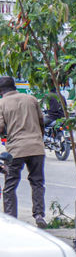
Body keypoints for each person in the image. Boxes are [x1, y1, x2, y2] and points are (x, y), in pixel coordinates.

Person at [0, 76, 47, 227]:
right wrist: (38, 139)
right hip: (36, 147)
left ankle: (11, 219)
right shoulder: (31, 99)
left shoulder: (2, 103)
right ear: (14, 86)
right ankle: (39, 215)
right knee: (37, 182)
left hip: (16, 149)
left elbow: (1, 128)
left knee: (10, 186)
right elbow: (41, 122)